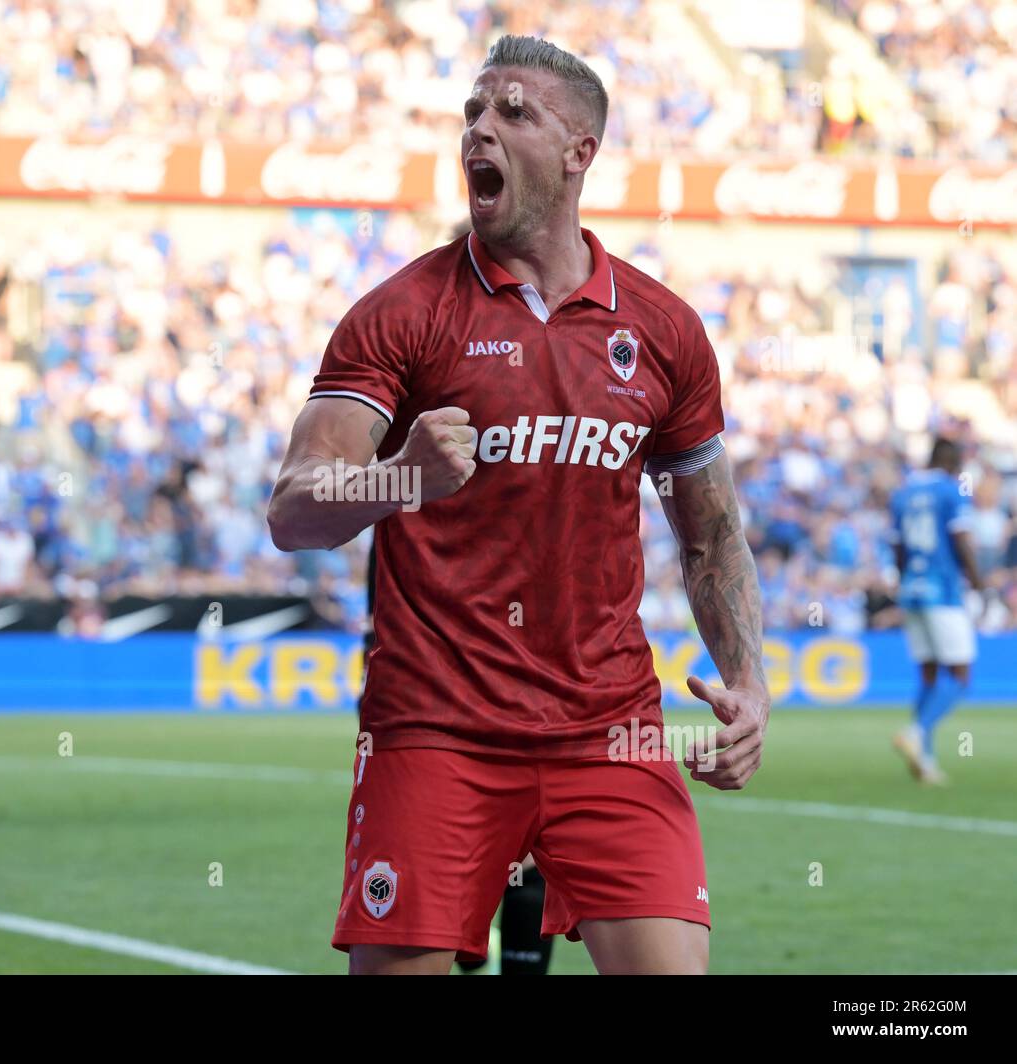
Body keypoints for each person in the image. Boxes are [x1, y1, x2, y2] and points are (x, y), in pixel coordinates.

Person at [267, 34, 768, 975]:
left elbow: (712, 537)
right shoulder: (403, 311)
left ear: (580, 151)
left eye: (512, 112)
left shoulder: (662, 331)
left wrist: (749, 682)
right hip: (437, 728)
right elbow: (292, 508)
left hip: (609, 730)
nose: (479, 131)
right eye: (472, 113)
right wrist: (399, 477)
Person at [889, 437, 984, 785]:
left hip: (912, 590)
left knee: (929, 674)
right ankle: (917, 733)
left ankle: (925, 760)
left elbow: (897, 548)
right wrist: (978, 583)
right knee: (960, 676)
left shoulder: (902, 494)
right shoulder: (950, 490)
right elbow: (961, 540)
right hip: (942, 591)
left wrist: (905, 583)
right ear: (952, 461)